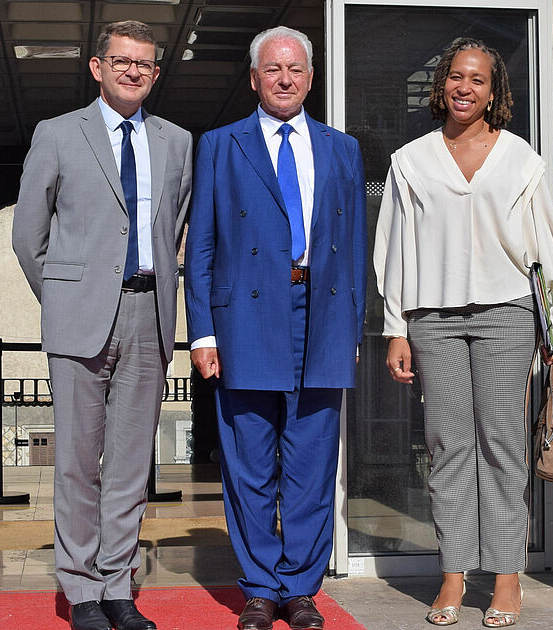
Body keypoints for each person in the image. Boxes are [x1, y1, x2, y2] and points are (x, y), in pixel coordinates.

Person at [373, 38, 553, 628]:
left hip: (509, 314)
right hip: (432, 317)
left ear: (495, 91)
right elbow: (393, 252)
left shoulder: (521, 160)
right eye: (456, 76)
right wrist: (396, 328)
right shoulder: (410, 161)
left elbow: (546, 255)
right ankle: (454, 572)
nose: (465, 87)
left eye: (478, 79)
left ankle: (507, 577)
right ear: (441, 86)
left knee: (503, 448)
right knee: (447, 447)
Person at [12, 20, 192, 630]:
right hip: (80, 316)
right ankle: (81, 591)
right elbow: (26, 234)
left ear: (156, 73)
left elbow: (179, 231)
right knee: (76, 462)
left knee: (131, 463)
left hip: (150, 312)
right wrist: (65, 297)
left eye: (144, 63)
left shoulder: (177, 141)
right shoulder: (58, 134)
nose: (132, 71)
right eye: (121, 60)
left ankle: (118, 585)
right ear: (97, 66)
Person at [184, 26, 366, 630]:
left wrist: (353, 331)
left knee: (312, 464)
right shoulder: (220, 144)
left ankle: (301, 589)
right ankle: (260, 588)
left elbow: (354, 249)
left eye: (294, 69)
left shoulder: (343, 149)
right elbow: (202, 247)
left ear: (310, 78)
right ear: (255, 77)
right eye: (271, 69)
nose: (284, 79)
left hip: (321, 316)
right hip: (245, 321)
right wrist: (202, 333)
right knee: (250, 464)